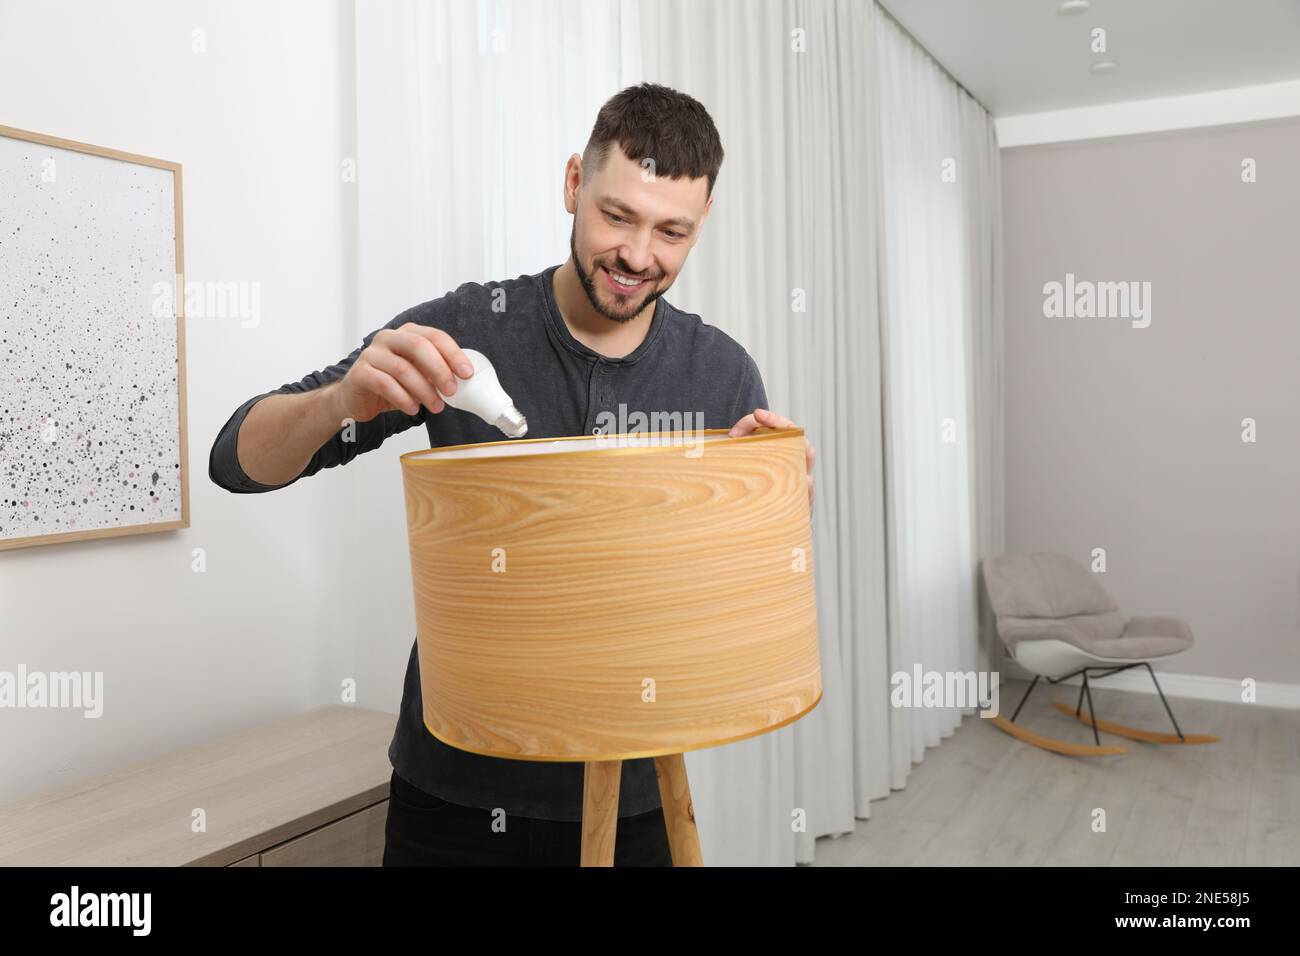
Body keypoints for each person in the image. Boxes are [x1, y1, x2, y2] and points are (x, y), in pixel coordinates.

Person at [209, 82, 815, 866]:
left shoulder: (721, 374)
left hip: (631, 799)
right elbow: (236, 463)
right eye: (617, 216)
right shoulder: (465, 331)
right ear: (573, 184)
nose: (638, 256)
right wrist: (342, 398)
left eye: (672, 231)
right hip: (452, 794)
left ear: (700, 229)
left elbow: (733, 610)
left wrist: (756, 508)